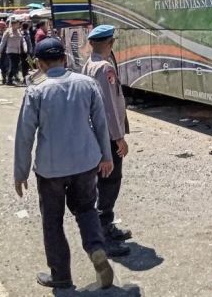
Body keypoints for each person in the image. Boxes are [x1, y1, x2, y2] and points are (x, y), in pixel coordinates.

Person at [13, 38, 115, 289]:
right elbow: (101, 124)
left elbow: (25, 135)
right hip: (86, 163)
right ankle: (97, 249)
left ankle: (61, 276)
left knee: (53, 220)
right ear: (65, 59)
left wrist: (20, 172)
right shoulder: (87, 84)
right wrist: (107, 156)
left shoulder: (36, 90)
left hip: (51, 170)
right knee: (86, 210)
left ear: (39, 63)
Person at [81, 25, 132, 256]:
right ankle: (103, 234)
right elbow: (109, 106)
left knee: (104, 180)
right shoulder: (104, 67)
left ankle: (106, 226)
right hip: (108, 136)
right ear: (110, 44)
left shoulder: (88, 64)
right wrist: (118, 137)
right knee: (110, 181)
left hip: (96, 133)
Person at [0, 19, 28, 86]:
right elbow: (3, 42)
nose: (18, 25)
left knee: (16, 66)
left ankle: (12, 78)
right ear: (12, 24)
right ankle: (9, 79)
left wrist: (25, 47)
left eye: (18, 24)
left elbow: (23, 40)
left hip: (18, 52)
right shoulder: (8, 32)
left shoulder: (19, 31)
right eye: (16, 24)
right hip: (10, 51)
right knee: (13, 65)